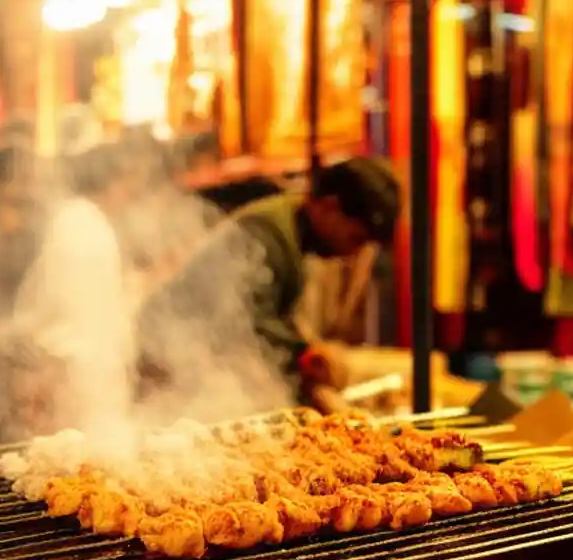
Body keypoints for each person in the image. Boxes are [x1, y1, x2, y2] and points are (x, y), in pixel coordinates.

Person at [139, 157, 401, 415]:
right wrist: (303, 359)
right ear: (329, 207)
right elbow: (249, 332)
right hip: (162, 373)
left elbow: (268, 321)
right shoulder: (265, 235)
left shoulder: (289, 226)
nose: (352, 252)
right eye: (355, 238)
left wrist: (306, 351)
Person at [6, 114, 138, 443]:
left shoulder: (82, 221)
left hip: (90, 372)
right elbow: (68, 315)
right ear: (110, 181)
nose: (129, 191)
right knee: (81, 469)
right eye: (126, 180)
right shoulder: (81, 228)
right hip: (79, 378)